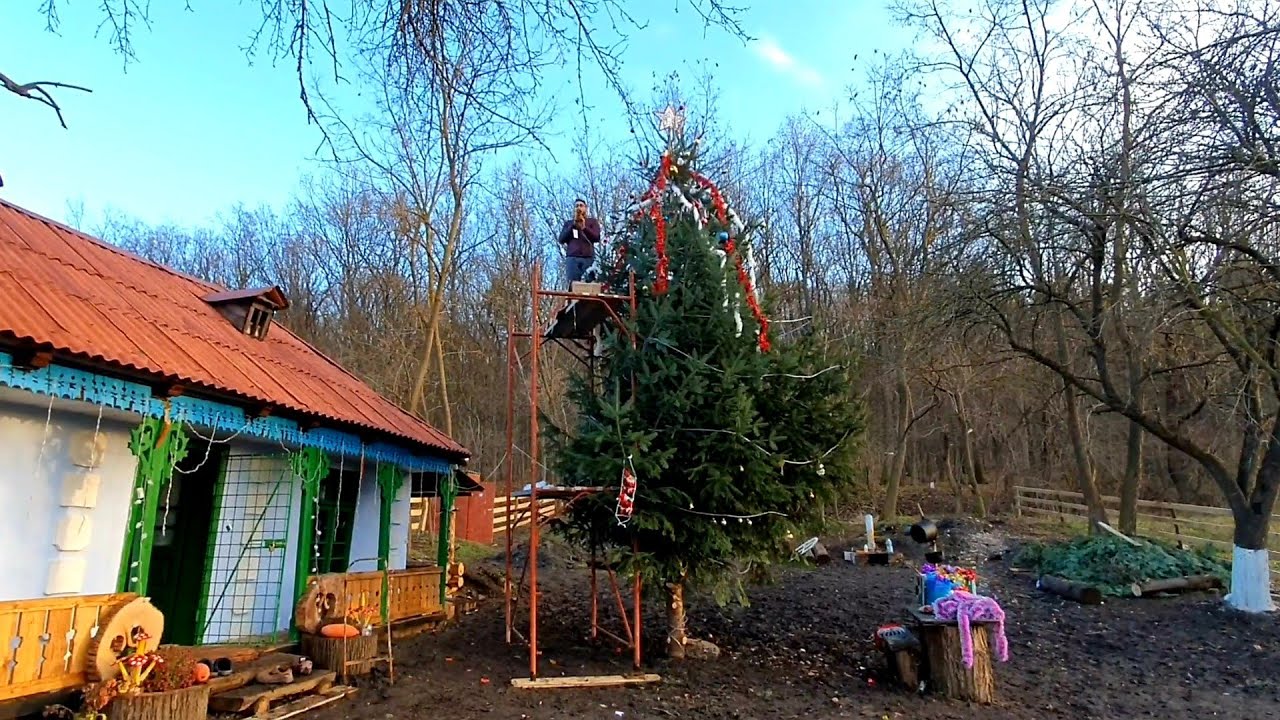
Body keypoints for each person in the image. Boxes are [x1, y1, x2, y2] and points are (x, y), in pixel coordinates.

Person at [557, 198, 602, 285]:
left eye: (581, 206)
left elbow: (596, 237)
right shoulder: (568, 223)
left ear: (585, 208)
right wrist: (573, 226)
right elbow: (561, 239)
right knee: (572, 285)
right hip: (572, 258)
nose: (579, 208)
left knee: (589, 285)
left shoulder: (592, 222)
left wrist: (584, 228)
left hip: (588, 258)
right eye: (576, 206)